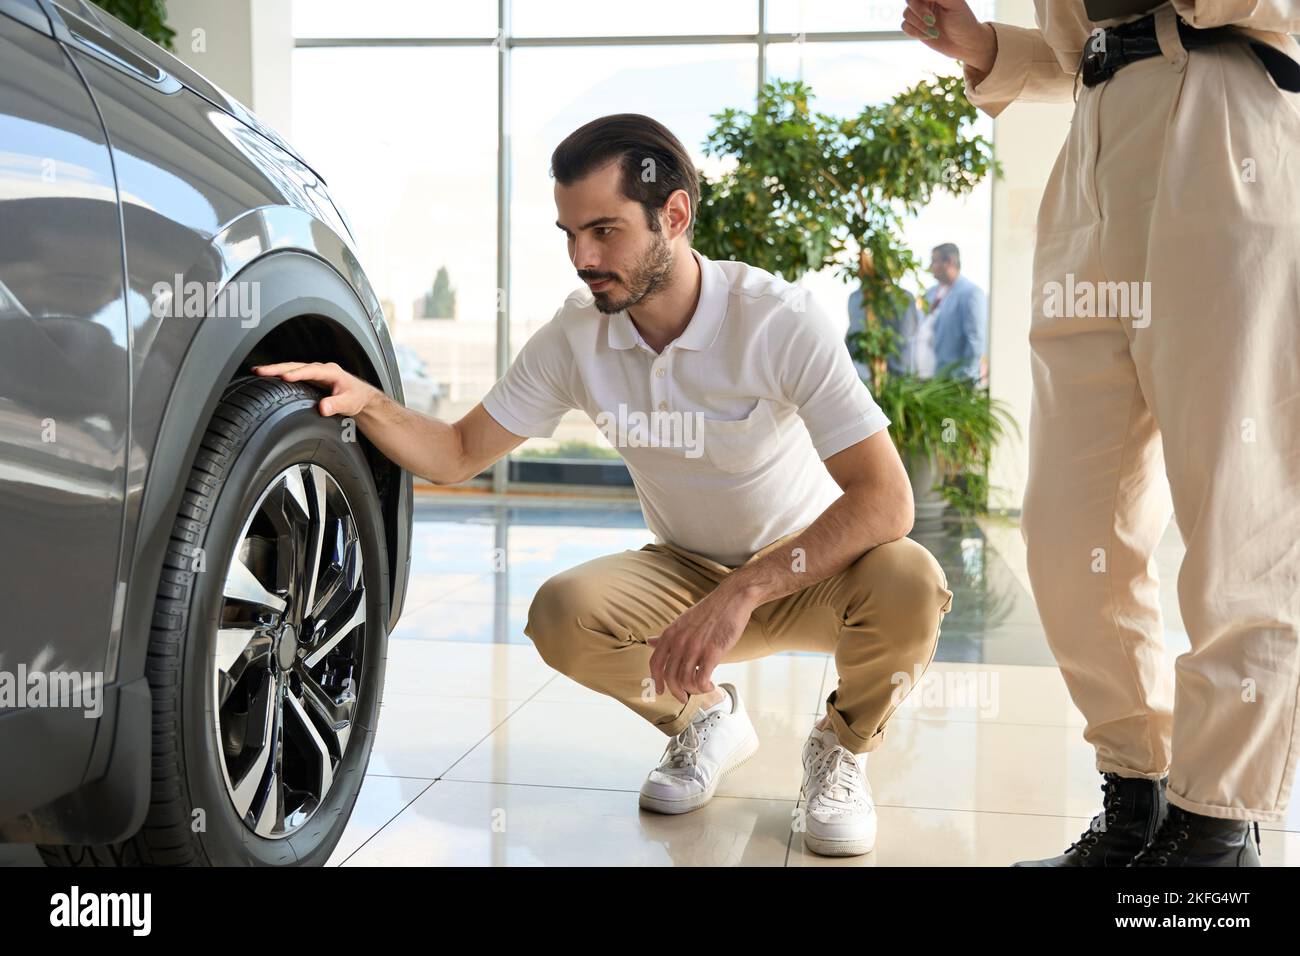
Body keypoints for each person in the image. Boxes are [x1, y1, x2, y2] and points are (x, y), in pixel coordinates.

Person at [253, 113, 953, 858]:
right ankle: (705, 719)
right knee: (563, 613)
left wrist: (742, 591)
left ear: (673, 215)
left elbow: (886, 499)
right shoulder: (576, 335)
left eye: (605, 231)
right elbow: (459, 452)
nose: (582, 258)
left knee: (911, 577)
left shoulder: (777, 320)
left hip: (812, 573)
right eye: (568, 234)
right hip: (684, 568)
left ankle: (841, 749)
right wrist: (367, 401)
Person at [903, 0, 1300, 866]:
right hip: (1098, 133)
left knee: (1242, 511)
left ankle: (1217, 830)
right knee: (1067, 526)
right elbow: (1084, 38)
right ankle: (1139, 800)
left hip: (1225, 125)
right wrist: (984, 47)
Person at [922, 243, 987, 383]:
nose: (930, 266)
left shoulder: (971, 293)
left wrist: (962, 379)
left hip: (952, 383)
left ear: (949, 262)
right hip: (927, 380)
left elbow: (975, 340)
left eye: (934, 261)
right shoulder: (931, 293)